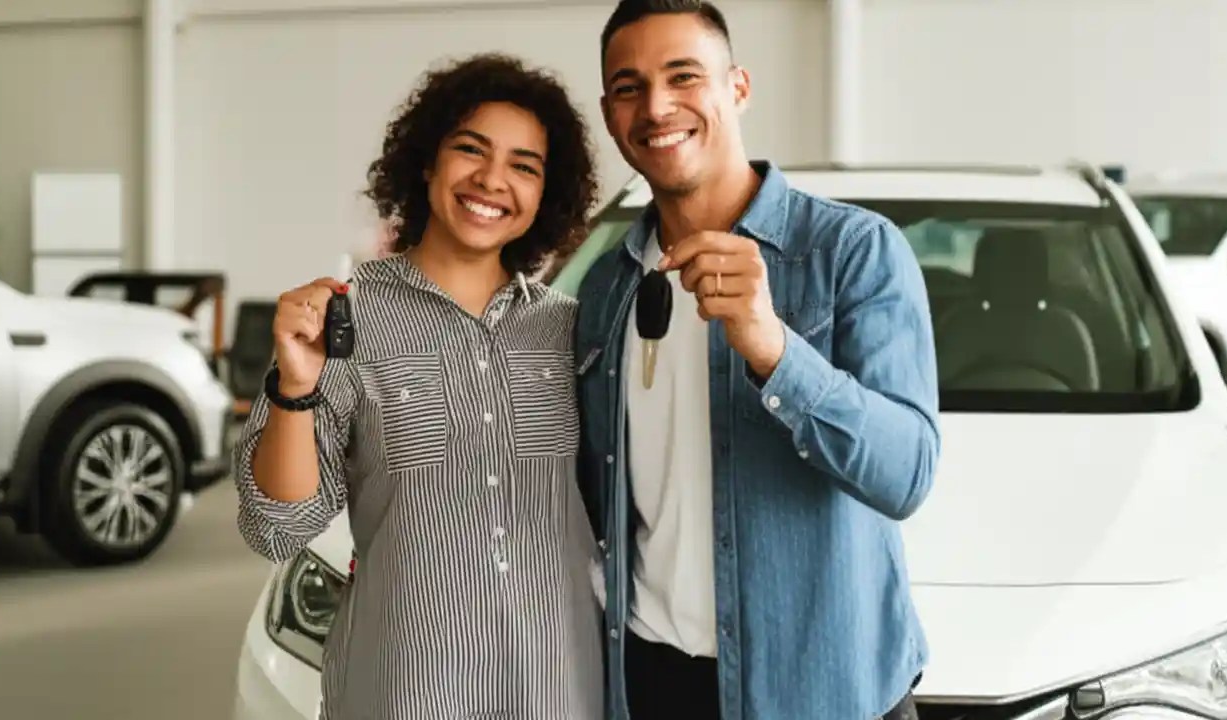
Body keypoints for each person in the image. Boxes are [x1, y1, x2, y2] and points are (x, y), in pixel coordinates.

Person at [571, 2, 941, 719]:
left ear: (737, 87)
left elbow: (907, 474)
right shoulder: (607, 284)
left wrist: (774, 349)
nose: (656, 106)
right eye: (629, 87)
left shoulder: (854, 253)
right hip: (650, 687)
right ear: (610, 113)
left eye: (684, 76)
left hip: (824, 695)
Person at [233, 53, 604, 720]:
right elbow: (278, 528)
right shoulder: (343, 319)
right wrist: (295, 385)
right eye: (470, 150)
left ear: (546, 195)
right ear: (427, 162)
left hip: (562, 689)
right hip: (405, 689)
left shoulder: (569, 330)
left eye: (525, 166)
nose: (492, 180)